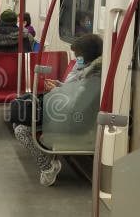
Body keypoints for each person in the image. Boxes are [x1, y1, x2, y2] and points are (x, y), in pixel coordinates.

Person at [12, 34, 103, 186]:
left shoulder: (93, 78)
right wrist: (60, 88)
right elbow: (74, 93)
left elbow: (77, 104)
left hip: (73, 121)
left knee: (21, 129)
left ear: (87, 56)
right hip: (65, 113)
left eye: (78, 56)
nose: (76, 60)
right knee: (19, 118)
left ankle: (48, 168)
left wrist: (56, 94)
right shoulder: (88, 71)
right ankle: (48, 162)